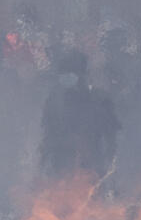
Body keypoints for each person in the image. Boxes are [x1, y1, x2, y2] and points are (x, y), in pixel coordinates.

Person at [39, 47, 121, 180]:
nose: (67, 79)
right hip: (62, 167)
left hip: (93, 167)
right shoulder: (54, 101)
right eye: (63, 75)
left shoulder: (99, 100)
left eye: (72, 74)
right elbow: (48, 136)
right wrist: (44, 163)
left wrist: (108, 165)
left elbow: (111, 138)